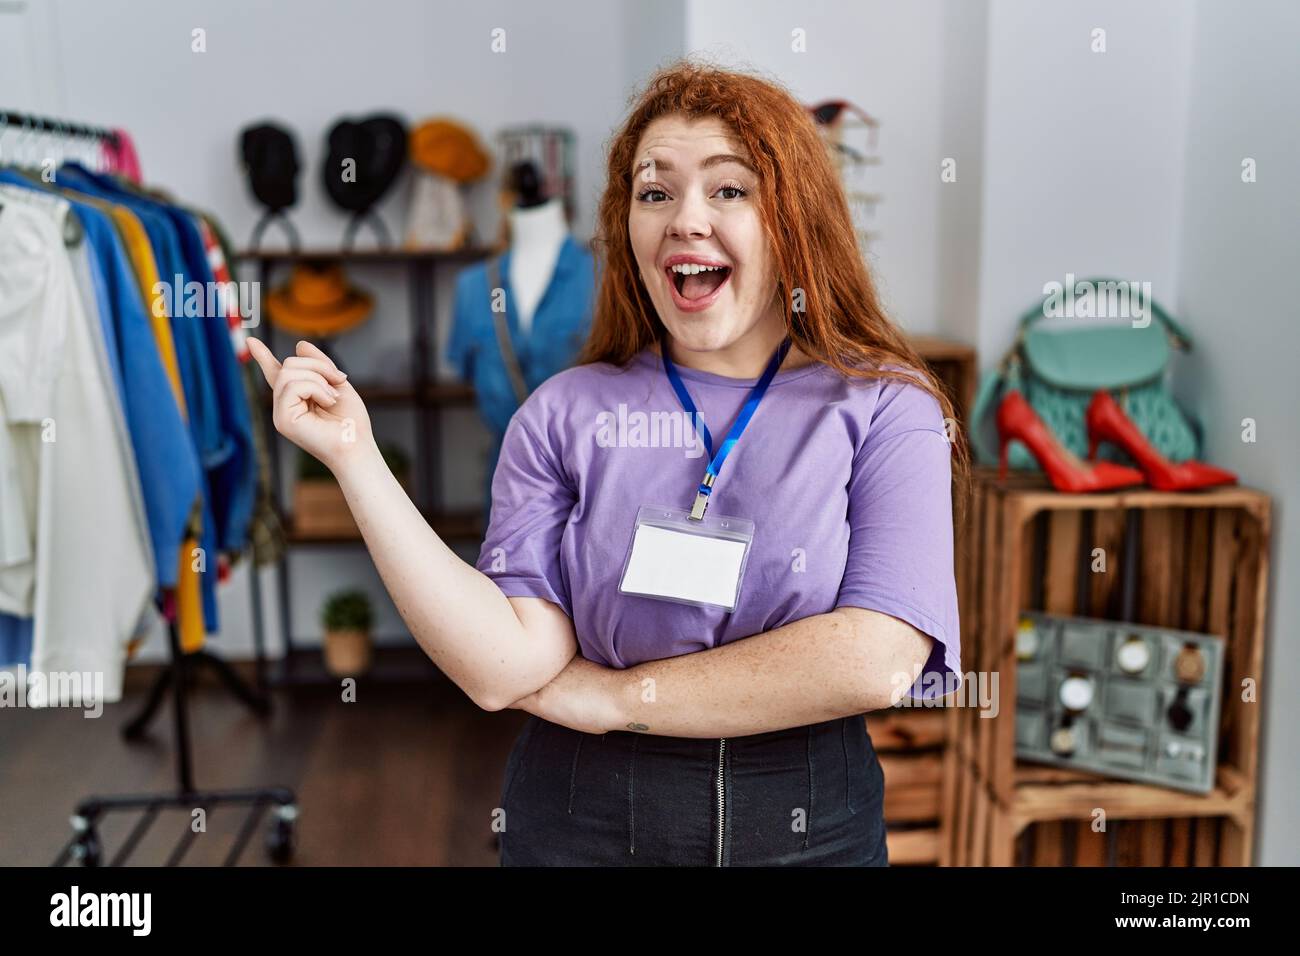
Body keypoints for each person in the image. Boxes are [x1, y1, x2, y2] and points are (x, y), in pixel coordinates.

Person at [247, 59, 969, 867]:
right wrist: (356, 460)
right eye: (654, 192)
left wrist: (619, 696)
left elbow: (878, 658)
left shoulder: (887, 406)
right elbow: (501, 669)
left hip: (809, 822)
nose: (685, 218)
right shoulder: (564, 412)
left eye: (729, 189)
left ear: (793, 218)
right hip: (583, 819)